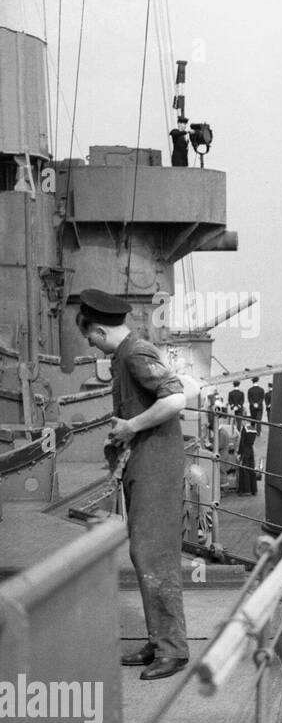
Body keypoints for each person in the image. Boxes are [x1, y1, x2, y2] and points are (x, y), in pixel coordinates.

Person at [76, 288, 190, 681]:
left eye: (89, 335)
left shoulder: (134, 353)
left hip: (156, 466)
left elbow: (176, 399)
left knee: (152, 553)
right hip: (144, 465)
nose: (90, 344)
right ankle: (160, 638)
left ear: (99, 328)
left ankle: (172, 649)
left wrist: (132, 426)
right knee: (145, 554)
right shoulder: (123, 356)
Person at [236, 421, 258, 496]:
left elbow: (242, 442)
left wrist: (239, 453)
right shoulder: (254, 430)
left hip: (245, 451)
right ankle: (253, 489)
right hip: (251, 450)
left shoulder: (245, 429)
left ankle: (246, 490)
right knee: (251, 469)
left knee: (244, 470)